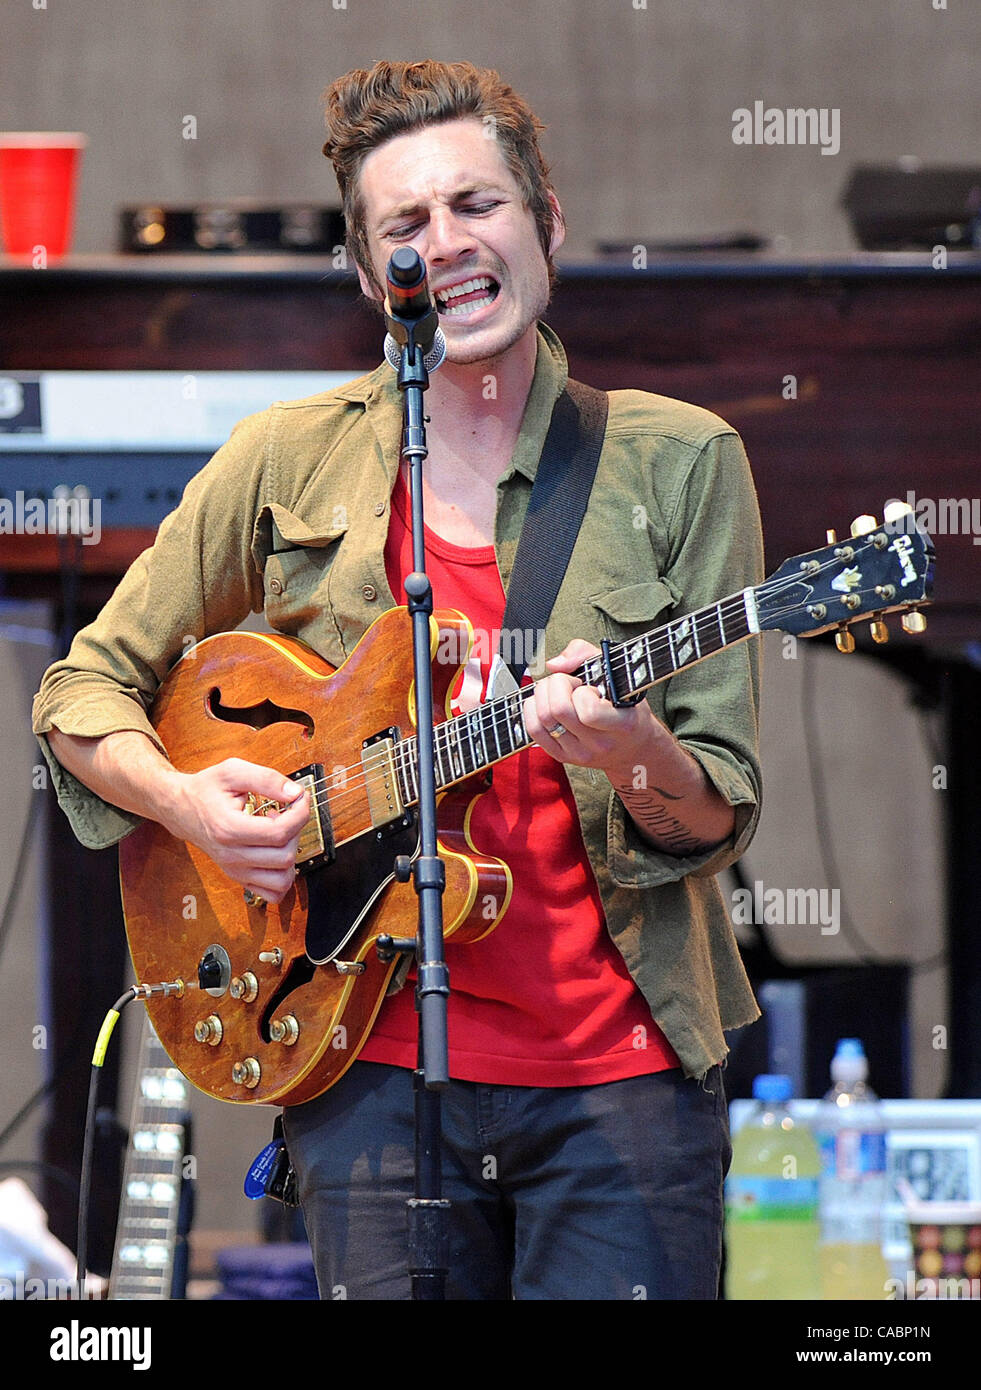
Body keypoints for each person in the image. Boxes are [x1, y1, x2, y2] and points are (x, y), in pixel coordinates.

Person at [32, 59, 764, 1301]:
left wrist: (631, 748)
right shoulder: (286, 457)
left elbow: (718, 808)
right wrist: (193, 807)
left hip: (619, 1084)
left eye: (478, 204)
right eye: (406, 225)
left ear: (547, 224)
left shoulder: (683, 460)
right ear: (376, 276)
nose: (450, 243)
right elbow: (83, 690)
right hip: (362, 1075)